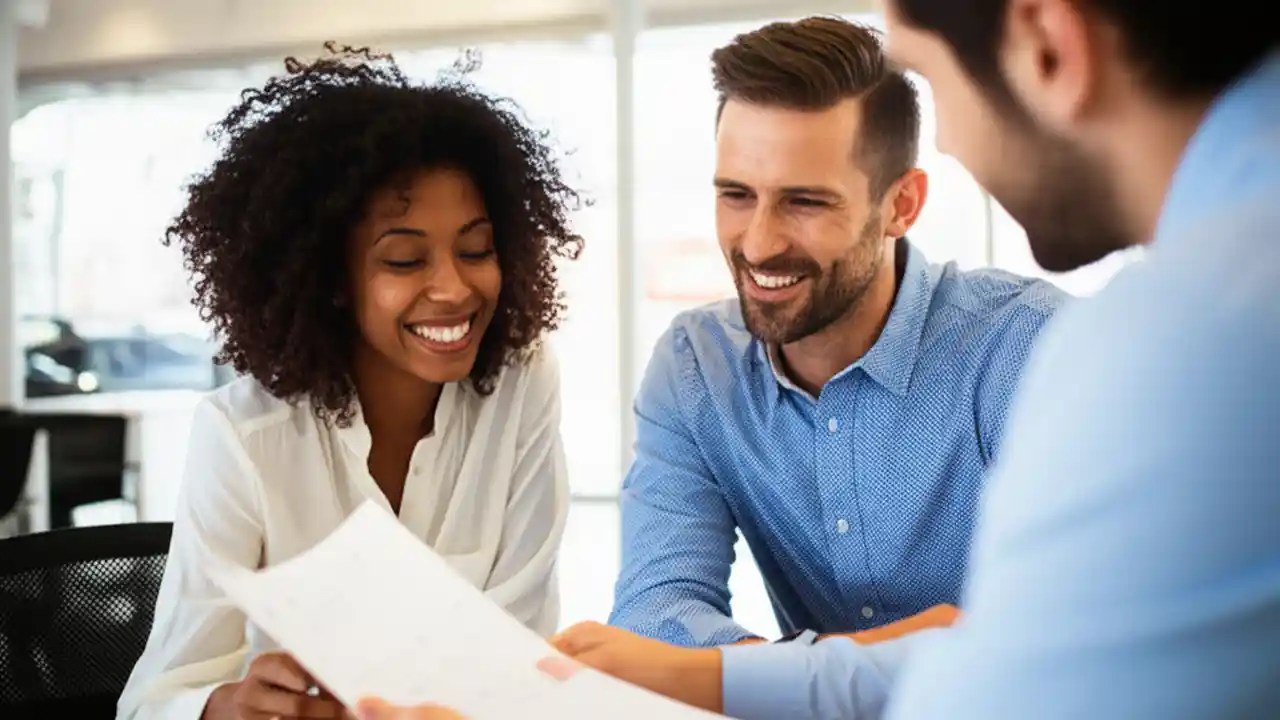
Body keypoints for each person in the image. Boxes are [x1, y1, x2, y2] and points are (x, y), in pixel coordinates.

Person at [603, 13, 1063, 709]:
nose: (757, 244)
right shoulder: (697, 367)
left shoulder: (1028, 351)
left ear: (901, 204)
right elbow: (655, 617)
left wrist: (762, 681)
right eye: (736, 195)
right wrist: (873, 665)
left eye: (804, 202)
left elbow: (1038, 647)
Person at [116, 44, 583, 720]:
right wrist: (224, 707)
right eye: (403, 258)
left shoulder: (521, 385)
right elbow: (150, 701)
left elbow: (524, 661)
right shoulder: (244, 436)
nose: (454, 288)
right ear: (330, 279)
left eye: (476, 250)